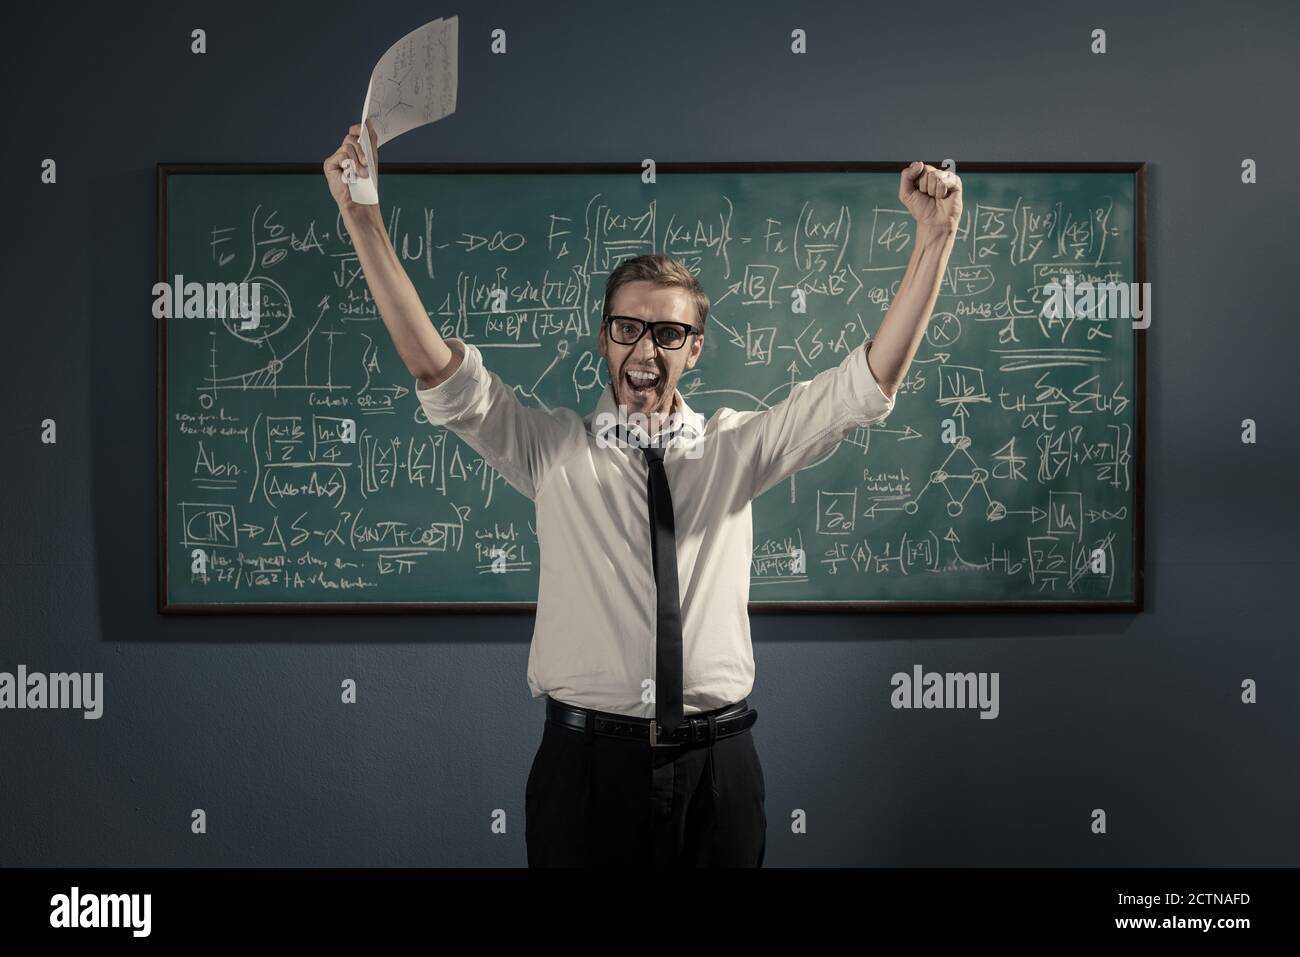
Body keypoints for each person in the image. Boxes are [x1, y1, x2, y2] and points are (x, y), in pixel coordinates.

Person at [323, 123, 962, 866]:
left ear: (695, 347)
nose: (645, 350)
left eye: (667, 332)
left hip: (718, 770)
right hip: (585, 771)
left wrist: (936, 239)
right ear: (603, 338)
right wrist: (362, 217)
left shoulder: (738, 446)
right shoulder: (551, 449)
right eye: (628, 328)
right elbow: (441, 374)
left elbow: (866, 383)